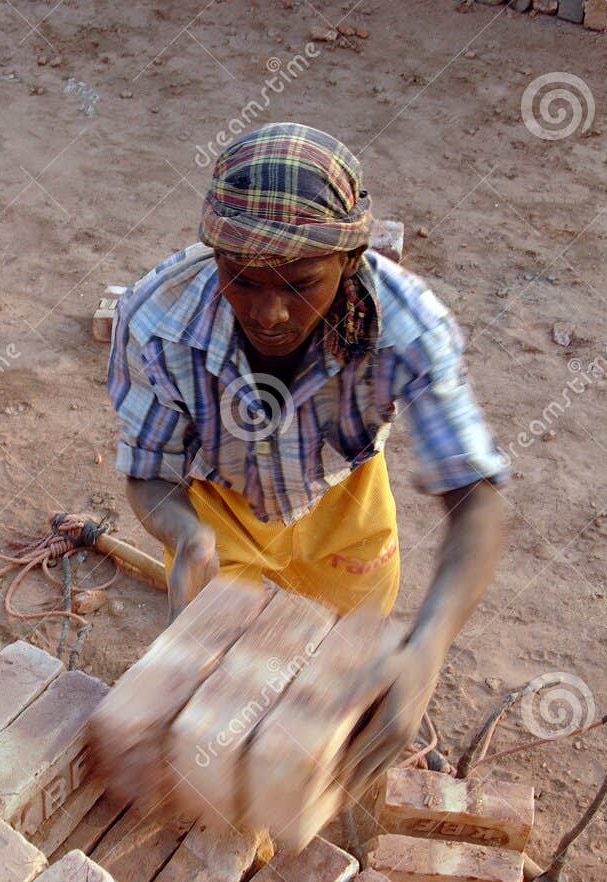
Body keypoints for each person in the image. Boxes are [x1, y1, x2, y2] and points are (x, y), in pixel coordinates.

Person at [106, 122, 508, 781]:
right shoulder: (158, 320)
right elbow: (149, 475)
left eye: (299, 283)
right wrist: (186, 537)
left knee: (331, 713)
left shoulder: (408, 326)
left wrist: (428, 643)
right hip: (217, 511)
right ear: (214, 258)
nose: (268, 313)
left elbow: (477, 503)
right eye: (240, 279)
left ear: (351, 260)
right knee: (222, 723)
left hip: (342, 509)